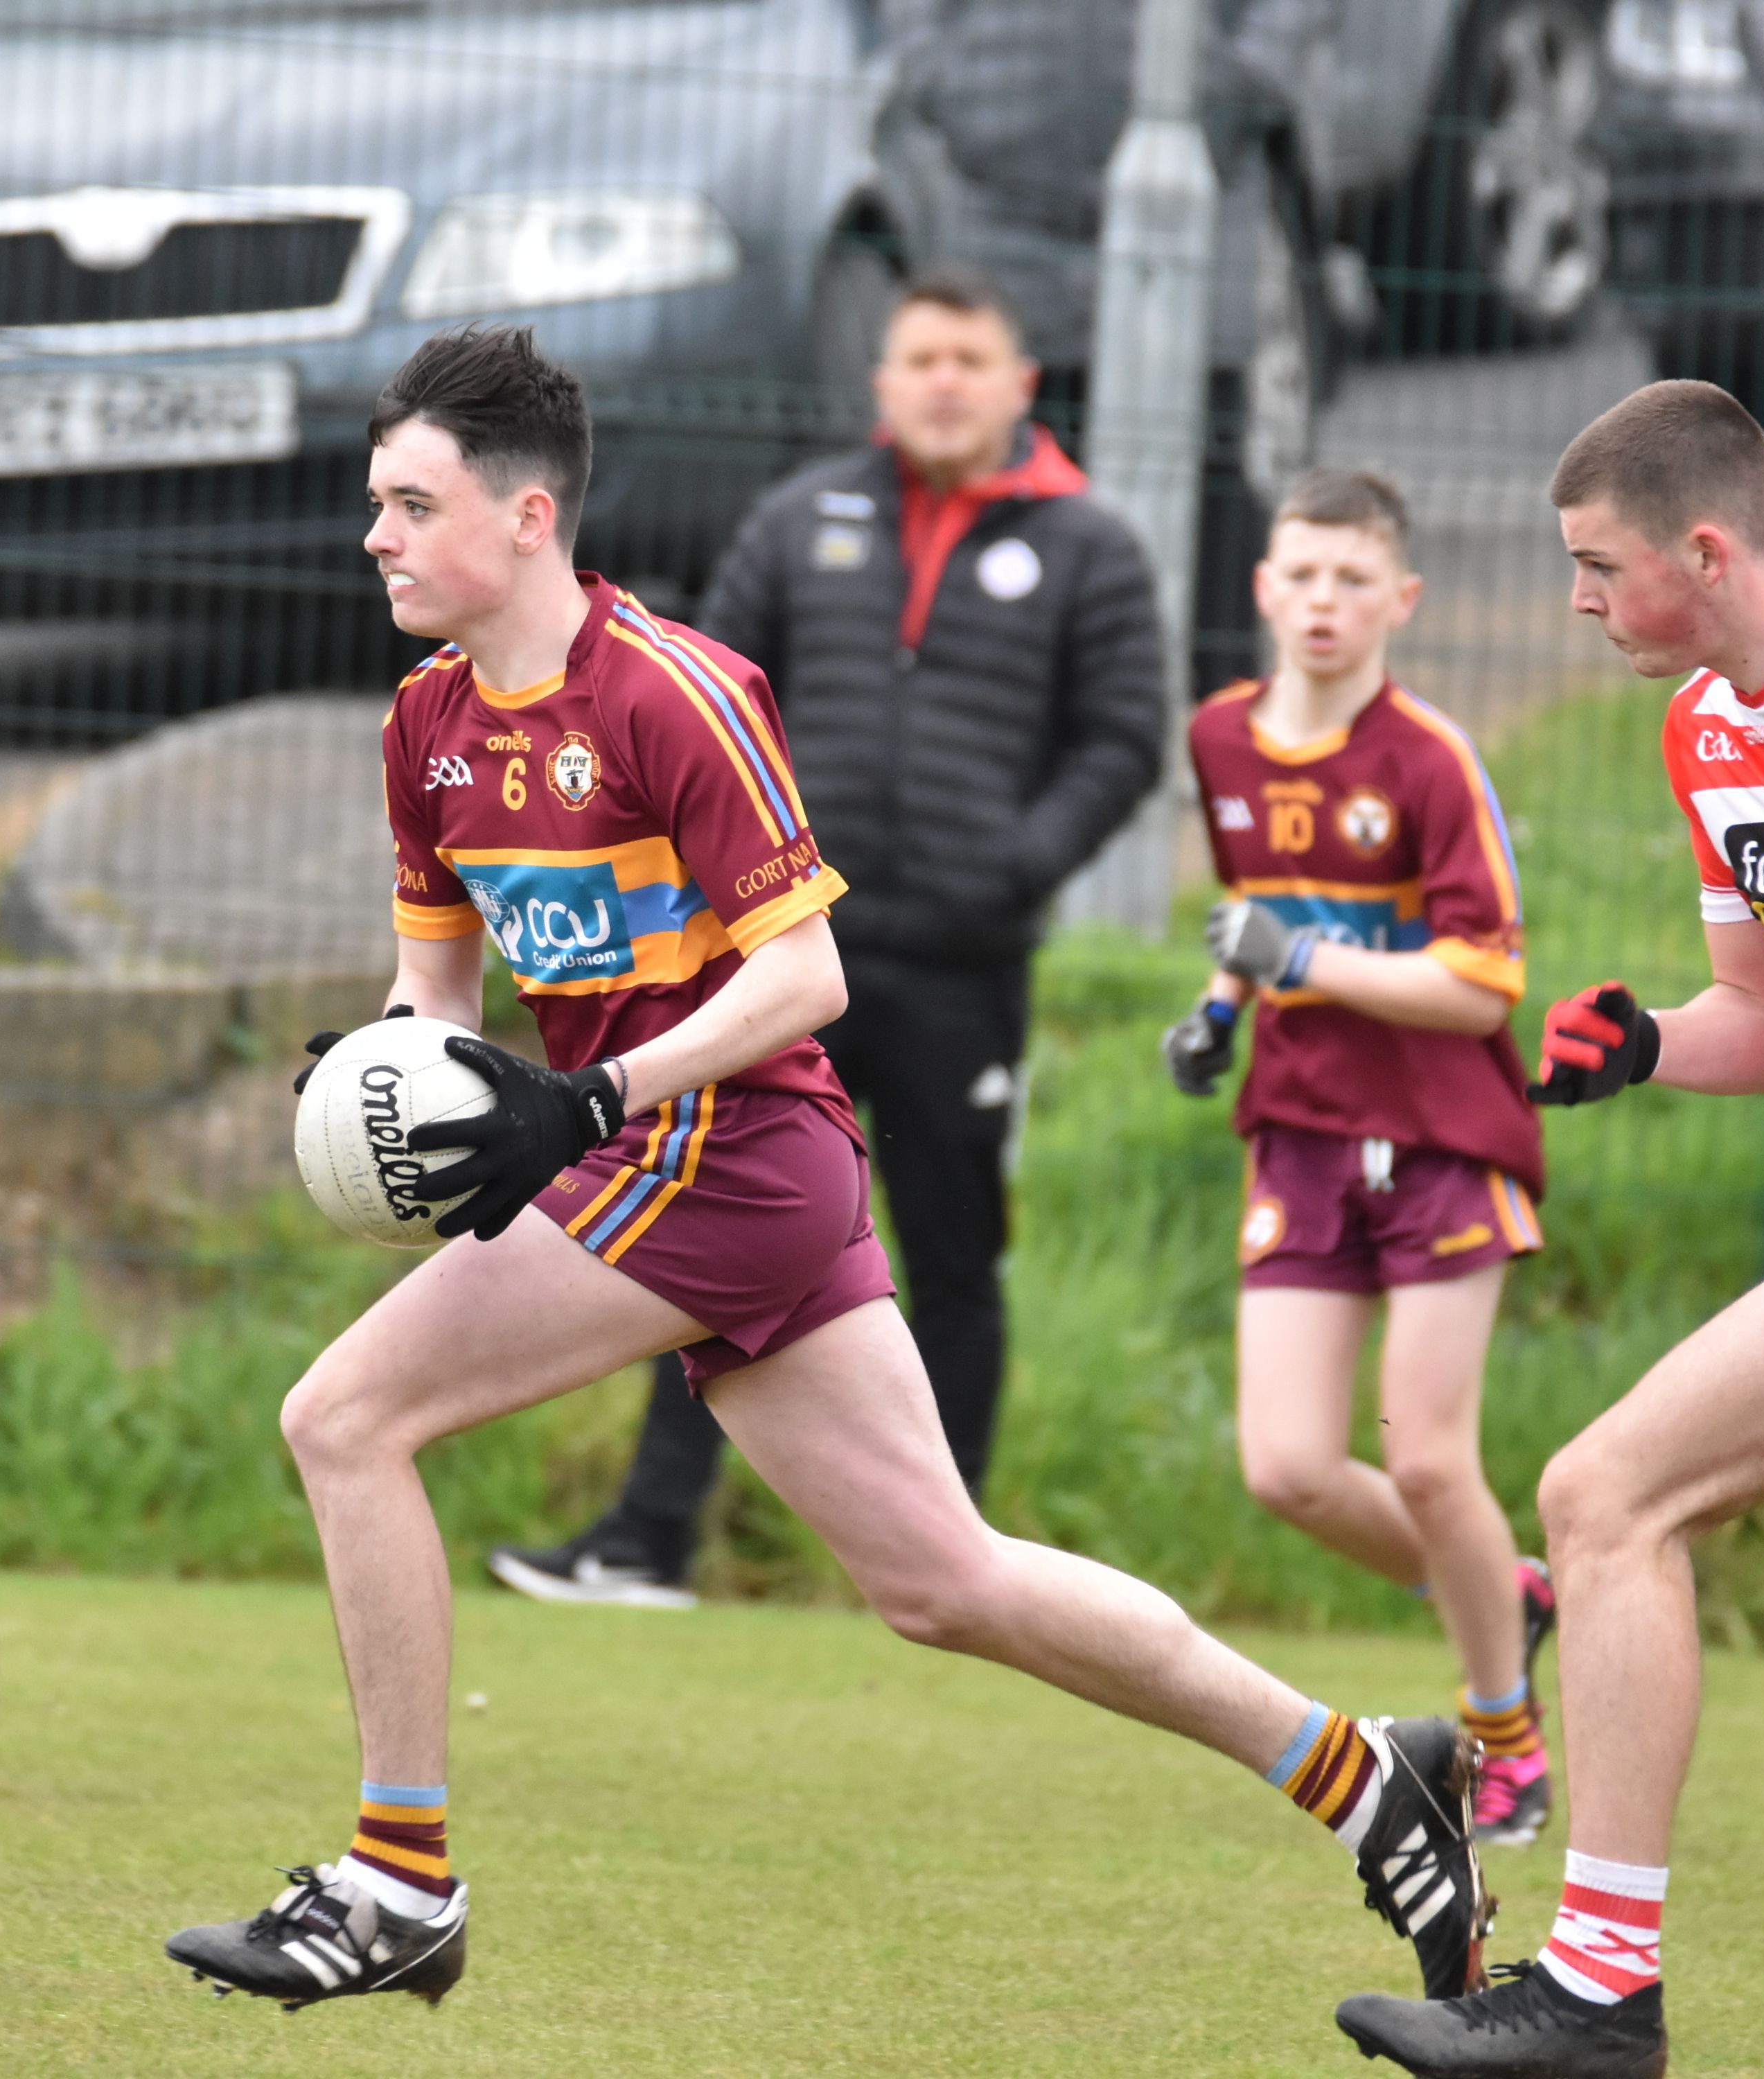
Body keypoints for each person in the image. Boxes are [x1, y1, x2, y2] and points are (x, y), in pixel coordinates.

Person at [164, 324, 1488, 2014]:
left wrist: (585, 1101)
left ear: (527, 516)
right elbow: (435, 993)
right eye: (377, 505)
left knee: (344, 1418)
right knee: (946, 1582)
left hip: (724, 1155)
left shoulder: (673, 694)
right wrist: (378, 1084)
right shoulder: (425, 724)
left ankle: (396, 1884)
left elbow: (807, 979)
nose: (377, 538)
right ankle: (1366, 1776)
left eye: (411, 506)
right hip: (675, 1162)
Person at [1332, 381, 1764, 2073]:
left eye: (1600, 567)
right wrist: (1647, 1046)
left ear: (1705, 550)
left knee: (1606, 1493)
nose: (1578, 602)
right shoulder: (1708, 735)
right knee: (1614, 1498)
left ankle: (1597, 1999)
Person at [488, 270, 1163, 1606]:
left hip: (964, 968)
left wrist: (1011, 868)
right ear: (883, 382)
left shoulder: (1089, 547)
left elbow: (1125, 736)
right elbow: (697, 696)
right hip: (783, 961)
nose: (945, 382)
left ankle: (962, 1570)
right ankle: (647, 1541)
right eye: (922, 358)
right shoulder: (803, 518)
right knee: (706, 1227)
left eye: (971, 358)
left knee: (953, 1256)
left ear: (1022, 385)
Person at [1162, 468, 1561, 1854]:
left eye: (1353, 580)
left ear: (1403, 600)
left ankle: (1507, 1743)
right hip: (1301, 1130)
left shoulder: (1430, 760)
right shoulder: (1219, 737)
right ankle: (1505, 1590)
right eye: (1302, 576)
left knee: (1430, 1462)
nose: (1324, 602)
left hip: (1444, 1136)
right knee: (1286, 1466)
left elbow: (1483, 983)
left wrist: (1301, 963)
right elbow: (1254, 912)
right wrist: (1219, 1014)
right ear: (1262, 590)